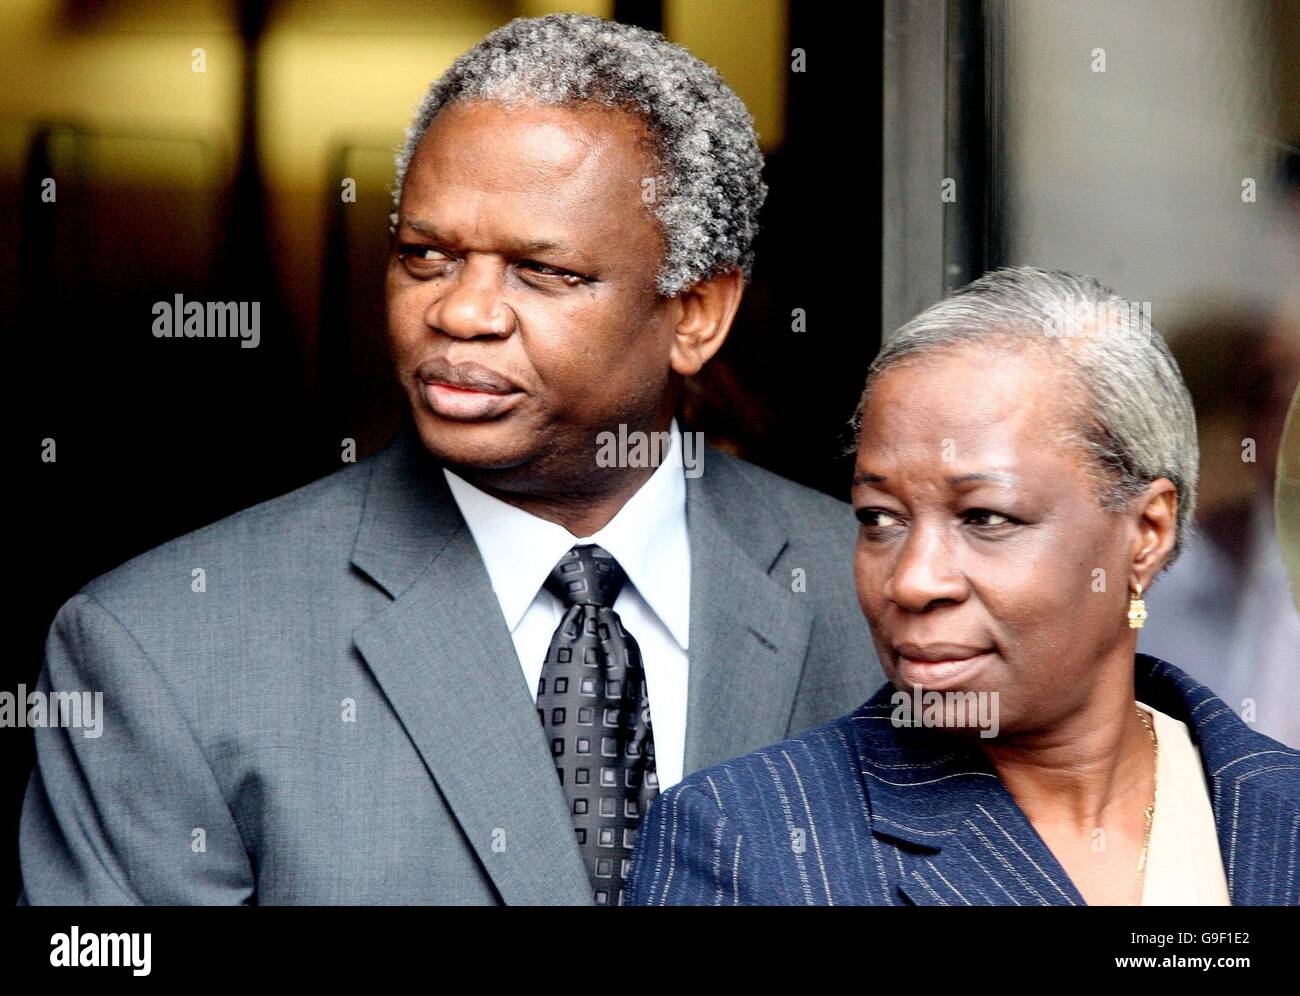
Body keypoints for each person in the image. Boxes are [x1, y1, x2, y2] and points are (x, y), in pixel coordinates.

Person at [18, 14, 879, 906]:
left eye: (541, 271)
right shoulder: (164, 645)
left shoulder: (884, 600)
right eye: (425, 256)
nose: (462, 313)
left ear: (696, 313)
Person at [626, 266, 1300, 906]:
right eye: (879, 519)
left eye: (985, 518)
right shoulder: (748, 845)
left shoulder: (1274, 814)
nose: (914, 582)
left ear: (1146, 532)